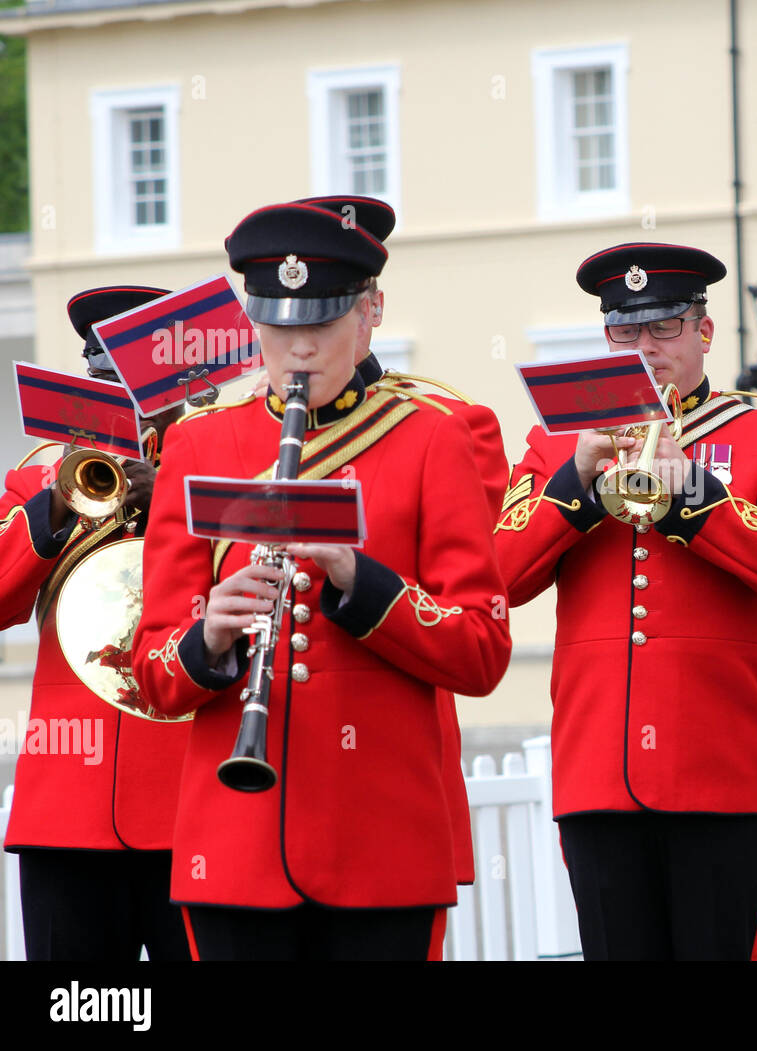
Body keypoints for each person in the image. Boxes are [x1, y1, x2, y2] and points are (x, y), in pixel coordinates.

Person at [130, 201, 511, 961]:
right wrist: (209, 637)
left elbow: (481, 649)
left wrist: (359, 582)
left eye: (324, 323)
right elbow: (151, 674)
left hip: (382, 847)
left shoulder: (431, 437)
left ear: (371, 313)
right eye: (277, 325)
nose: (298, 347)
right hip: (233, 850)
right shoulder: (199, 444)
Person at [493, 241, 757, 960]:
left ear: (704, 331)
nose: (646, 348)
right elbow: (500, 576)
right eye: (626, 330)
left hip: (721, 773)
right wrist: (575, 486)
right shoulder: (554, 441)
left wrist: (700, 500)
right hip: (598, 775)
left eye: (665, 327)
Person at [297, 193, 509, 890]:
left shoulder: (448, 424)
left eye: (332, 302)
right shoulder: (227, 434)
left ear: (370, 308)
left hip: (388, 769)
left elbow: (473, 601)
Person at [1, 285, 191, 961]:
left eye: (142, 386)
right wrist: (57, 508)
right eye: (108, 382)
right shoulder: (38, 482)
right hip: (68, 808)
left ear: (184, 392)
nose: (128, 405)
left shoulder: (220, 478)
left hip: (190, 806)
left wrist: (168, 495)